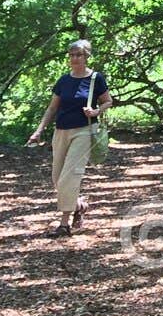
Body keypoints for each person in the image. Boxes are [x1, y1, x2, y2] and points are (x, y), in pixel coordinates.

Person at [26, 39, 113, 237]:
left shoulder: (95, 79)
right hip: (61, 131)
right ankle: (79, 205)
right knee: (57, 177)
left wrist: (96, 111)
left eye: (79, 55)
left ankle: (64, 224)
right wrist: (39, 131)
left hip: (83, 131)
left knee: (70, 176)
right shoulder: (64, 80)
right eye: (72, 55)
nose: (74, 58)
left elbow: (108, 101)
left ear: (86, 56)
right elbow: (52, 108)